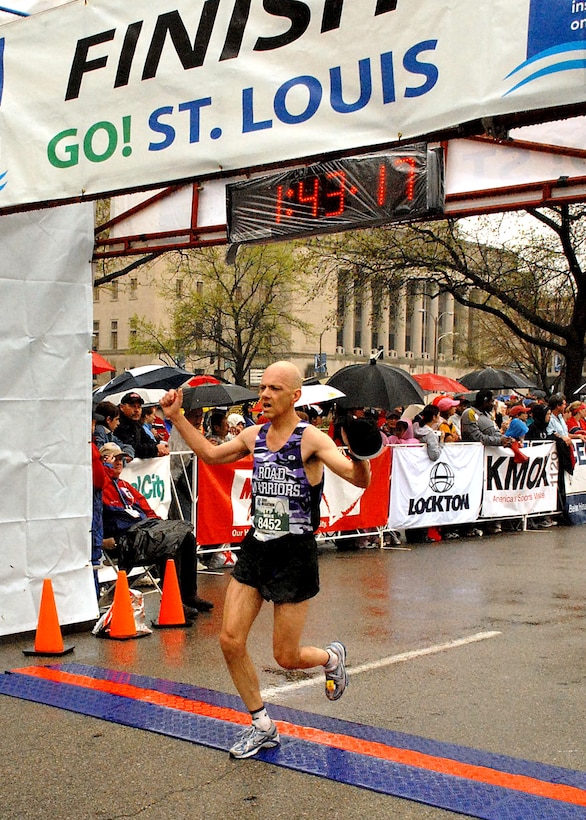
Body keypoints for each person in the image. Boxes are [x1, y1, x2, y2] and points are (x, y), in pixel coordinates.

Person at [160, 361, 374, 759]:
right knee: (229, 640)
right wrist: (175, 418)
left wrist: (361, 453)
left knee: (286, 657)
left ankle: (331, 658)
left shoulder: (310, 438)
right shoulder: (252, 434)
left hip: (294, 554)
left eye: (275, 388)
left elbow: (358, 478)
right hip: (258, 547)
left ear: (295, 396)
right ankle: (262, 725)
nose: (264, 395)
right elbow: (208, 454)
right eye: (262, 388)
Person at [99, 442, 213, 618]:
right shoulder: (100, 487)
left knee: (186, 537)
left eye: (122, 459)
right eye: (115, 459)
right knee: (168, 544)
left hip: (143, 532)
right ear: (103, 460)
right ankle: (172, 600)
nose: (119, 463)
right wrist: (101, 541)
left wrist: (159, 526)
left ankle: (189, 596)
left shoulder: (124, 486)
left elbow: (148, 510)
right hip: (124, 540)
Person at [116, 392, 169, 459]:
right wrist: (155, 449)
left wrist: (159, 447)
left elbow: (148, 440)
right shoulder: (118, 425)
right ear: (122, 407)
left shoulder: (137, 424)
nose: (136, 410)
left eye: (139, 407)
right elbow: (133, 448)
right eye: (133, 406)